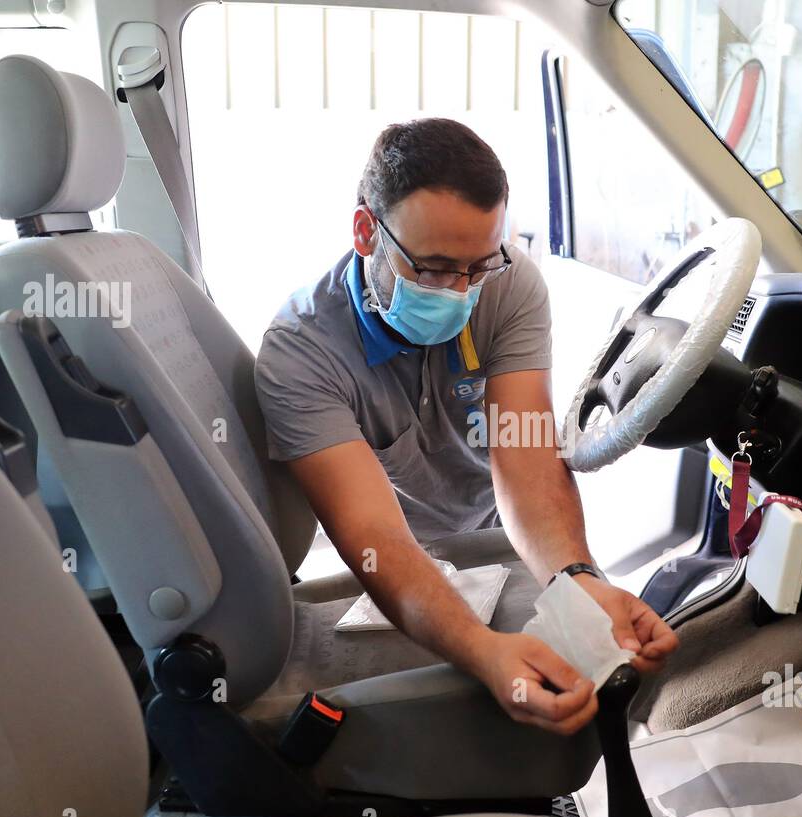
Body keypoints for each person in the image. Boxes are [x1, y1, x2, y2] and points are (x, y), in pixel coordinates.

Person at [255, 118, 678, 735]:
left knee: (604, 666)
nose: (458, 292)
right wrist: (485, 654)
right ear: (366, 231)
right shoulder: (300, 354)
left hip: (502, 532)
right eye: (431, 269)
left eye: (477, 266)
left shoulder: (510, 286)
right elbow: (376, 538)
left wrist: (576, 579)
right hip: (400, 552)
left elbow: (527, 458)